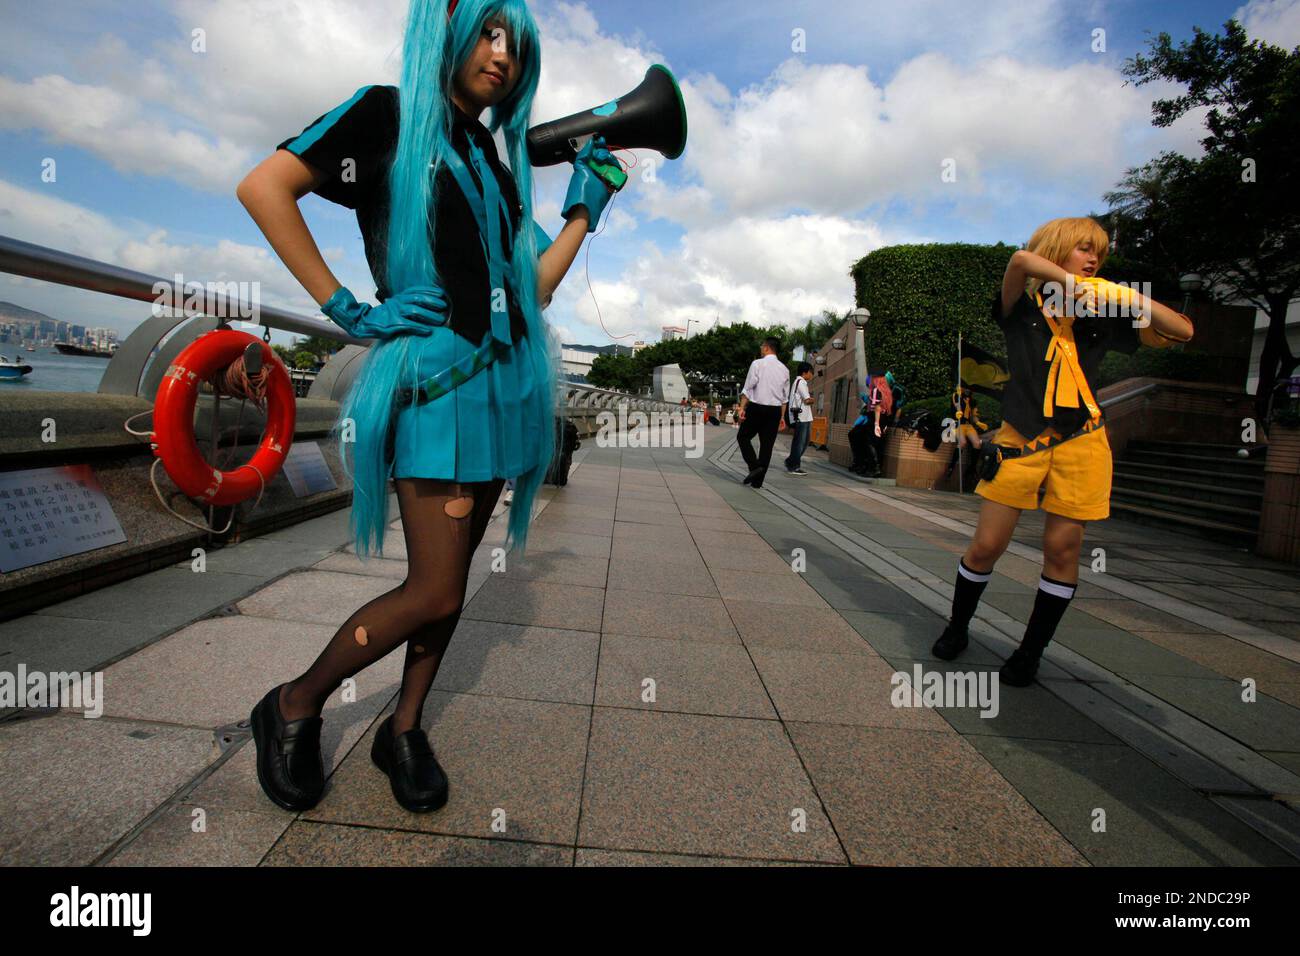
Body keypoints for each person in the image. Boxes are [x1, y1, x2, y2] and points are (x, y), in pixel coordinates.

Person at [237, 0, 625, 813]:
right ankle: (293, 704)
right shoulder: (386, 113)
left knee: (449, 581)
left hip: (501, 392)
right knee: (438, 589)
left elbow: (534, 293)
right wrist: (347, 308)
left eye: (514, 43)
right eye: (487, 32)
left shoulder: (490, 155)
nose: (501, 54)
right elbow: (266, 186)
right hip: (431, 390)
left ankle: (402, 727)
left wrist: (583, 212)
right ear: (443, 33)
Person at [931, 217, 1193, 686]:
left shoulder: (1102, 314)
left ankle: (1030, 653)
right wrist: (1069, 282)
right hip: (1021, 440)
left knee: (1062, 548)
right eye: (1083, 249)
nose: (1094, 258)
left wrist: (1127, 297)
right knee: (987, 545)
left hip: (1083, 441)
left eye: (1099, 252)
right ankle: (957, 626)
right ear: (1058, 249)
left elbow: (1183, 330)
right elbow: (1019, 261)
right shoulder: (1020, 308)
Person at [735, 337, 789, 488]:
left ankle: (754, 467)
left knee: (743, 436)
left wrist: (741, 408)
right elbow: (784, 398)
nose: (760, 349)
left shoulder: (757, 364)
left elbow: (748, 387)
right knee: (767, 446)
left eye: (762, 346)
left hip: (757, 407)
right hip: (775, 412)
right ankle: (758, 482)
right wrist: (782, 417)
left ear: (766, 348)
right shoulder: (785, 369)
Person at [784, 361, 815, 474]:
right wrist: (813, 399)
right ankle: (794, 466)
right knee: (801, 442)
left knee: (801, 441)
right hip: (801, 417)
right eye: (811, 372)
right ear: (805, 372)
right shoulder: (801, 382)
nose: (812, 375)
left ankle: (791, 461)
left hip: (801, 417)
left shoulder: (797, 382)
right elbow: (807, 399)